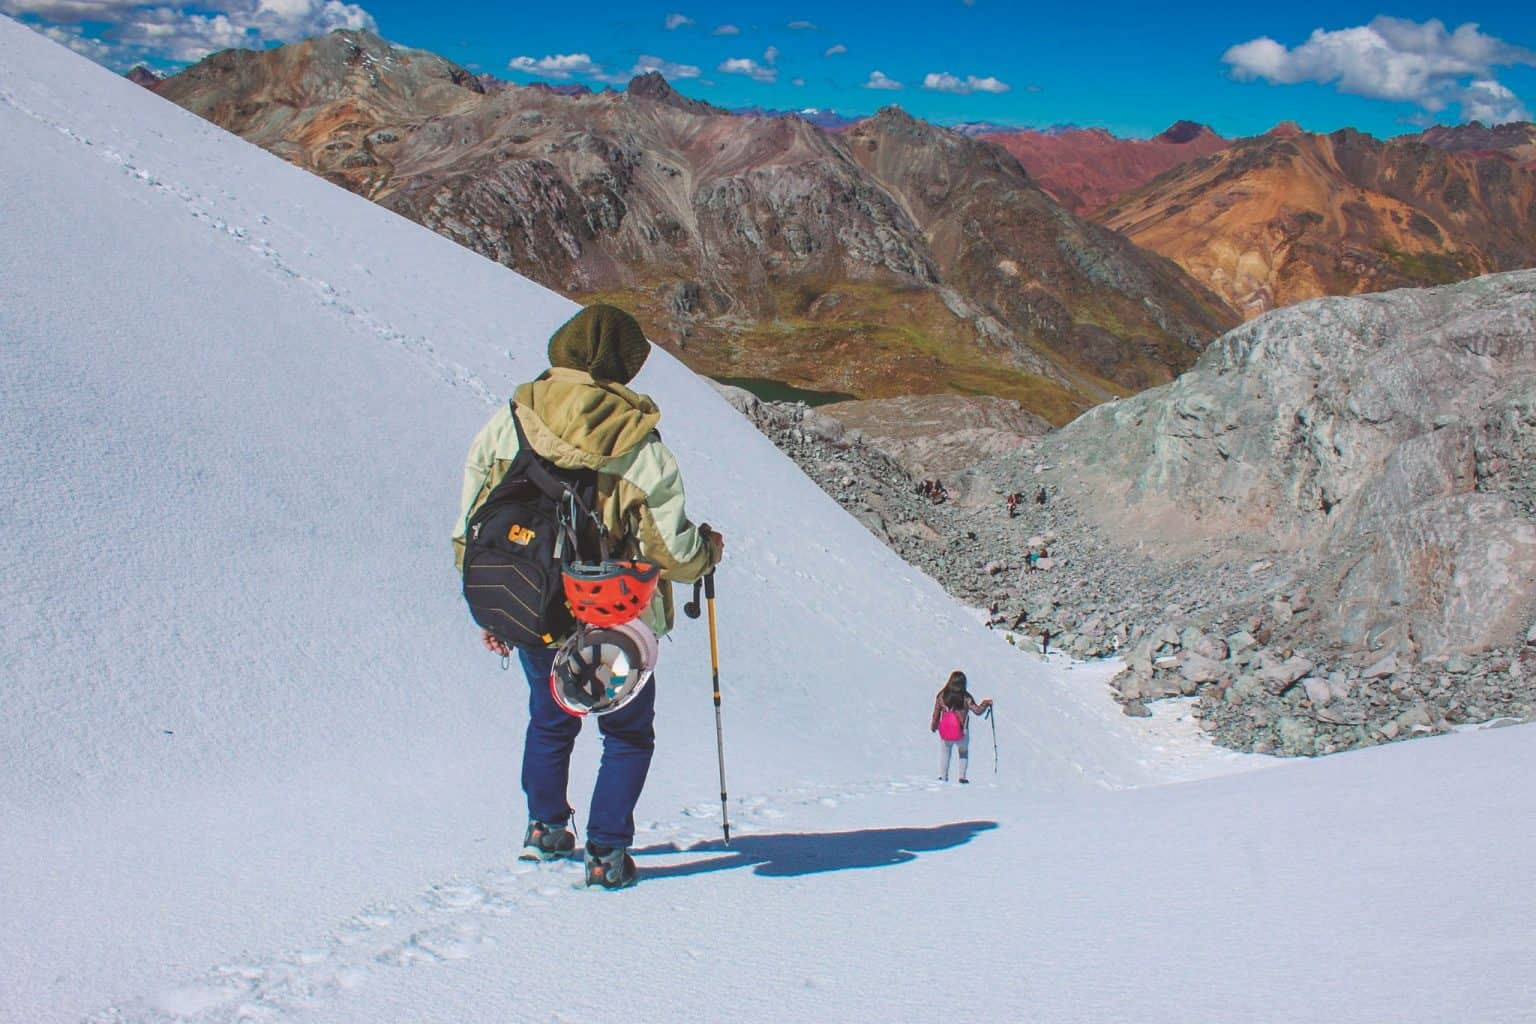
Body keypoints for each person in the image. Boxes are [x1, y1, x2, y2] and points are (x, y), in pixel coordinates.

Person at [453, 304, 724, 889]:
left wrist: (492, 601)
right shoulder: (639, 444)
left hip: (530, 602)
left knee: (549, 719)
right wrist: (709, 555)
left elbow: (471, 520)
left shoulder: (510, 420)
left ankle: (545, 829)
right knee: (626, 734)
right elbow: (671, 552)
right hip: (614, 618)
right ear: (624, 365)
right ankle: (605, 852)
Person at [930, 670, 993, 784]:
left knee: (945, 753)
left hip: (945, 730)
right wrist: (985, 703)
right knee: (963, 753)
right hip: (962, 731)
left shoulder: (942, 695)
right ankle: (962, 777)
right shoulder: (966, 697)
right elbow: (977, 711)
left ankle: (943, 777)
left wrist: (934, 725)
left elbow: (936, 712)